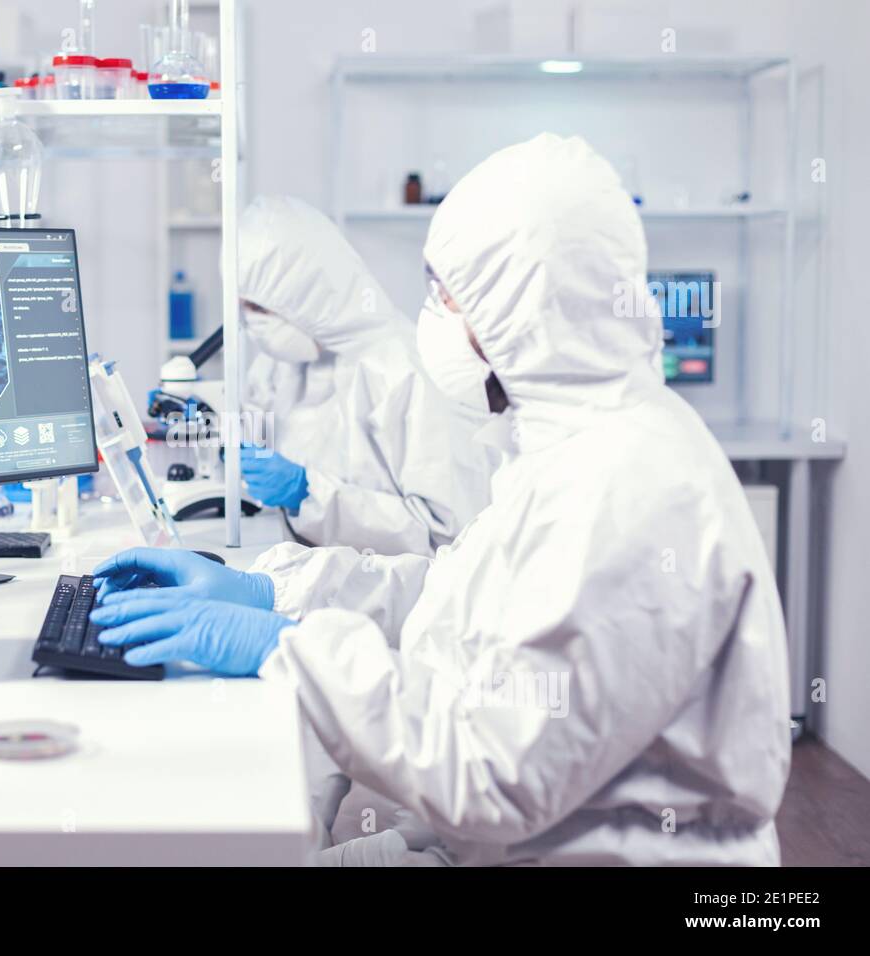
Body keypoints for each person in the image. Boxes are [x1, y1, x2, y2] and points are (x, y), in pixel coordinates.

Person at [88, 134, 791, 866]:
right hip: (500, 839)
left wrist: (287, 650)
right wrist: (269, 590)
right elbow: (452, 589)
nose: (434, 318)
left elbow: (492, 772)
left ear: (524, 307)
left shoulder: (629, 486)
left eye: (449, 296)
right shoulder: (564, 447)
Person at [237, 195, 495, 556]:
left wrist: (309, 493)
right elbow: (253, 439)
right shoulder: (281, 362)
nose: (252, 323)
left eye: (259, 308)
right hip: (312, 574)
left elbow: (445, 535)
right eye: (243, 307)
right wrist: (207, 424)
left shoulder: (406, 372)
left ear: (304, 296)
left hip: (396, 601)